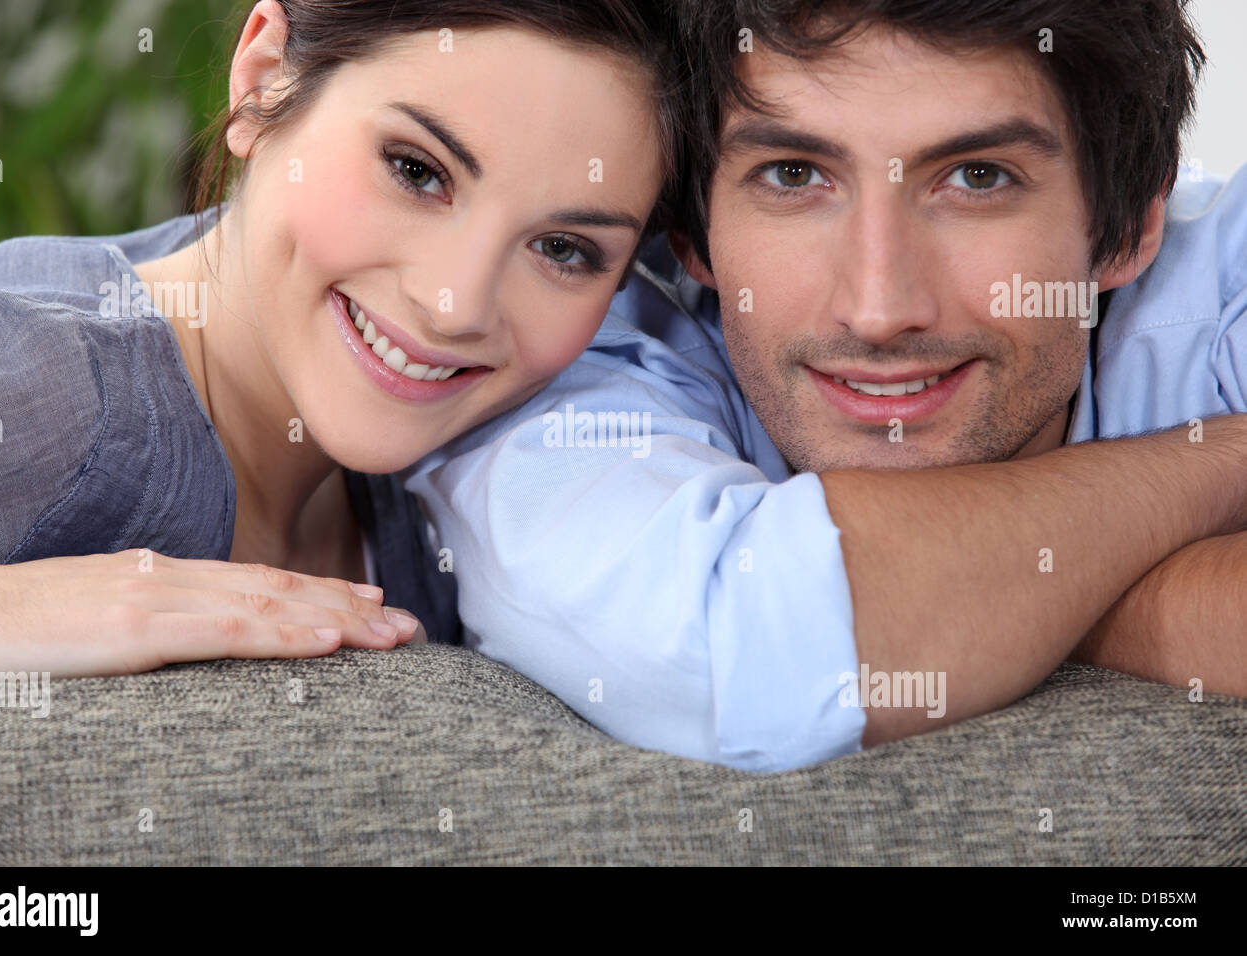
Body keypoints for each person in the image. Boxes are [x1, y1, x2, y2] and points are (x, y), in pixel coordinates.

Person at [399, 0, 1247, 771]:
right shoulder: (577, 349)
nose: (879, 311)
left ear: (1129, 227)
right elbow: (739, 655)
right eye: (794, 176)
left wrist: (1001, 597)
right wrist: (1215, 467)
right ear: (692, 234)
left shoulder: (1227, 280)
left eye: (977, 177)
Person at [0, 0, 682, 676]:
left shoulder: (457, 478)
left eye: (562, 249)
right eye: (416, 171)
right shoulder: (45, 391)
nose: (456, 306)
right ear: (263, 79)